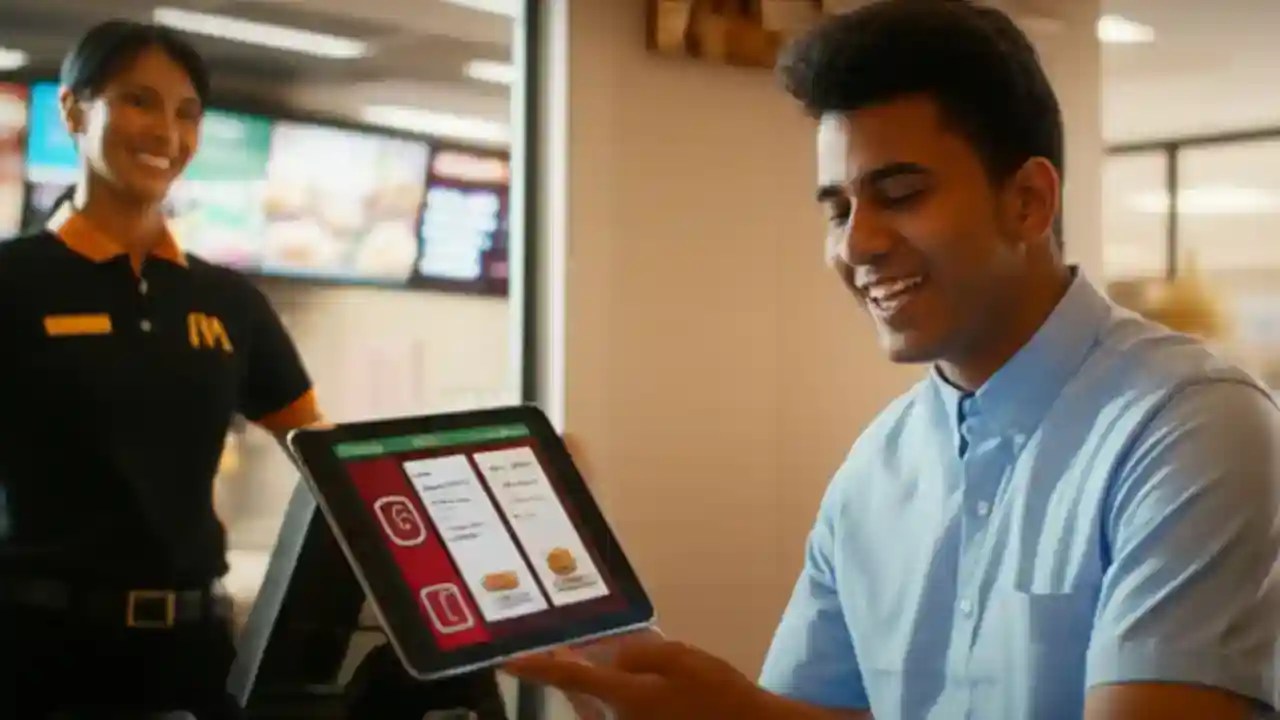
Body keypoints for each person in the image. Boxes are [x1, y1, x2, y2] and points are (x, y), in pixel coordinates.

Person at [504, 1, 1280, 719]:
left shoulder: (1193, 427)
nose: (857, 244)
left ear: (1029, 203)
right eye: (838, 208)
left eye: (901, 193)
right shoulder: (877, 468)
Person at [0, 20, 321, 719]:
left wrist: (466, 483)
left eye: (187, 112)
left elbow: (325, 455)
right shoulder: (12, 280)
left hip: (195, 654)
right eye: (139, 101)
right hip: (37, 650)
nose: (166, 133)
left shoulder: (229, 301)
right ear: (75, 109)